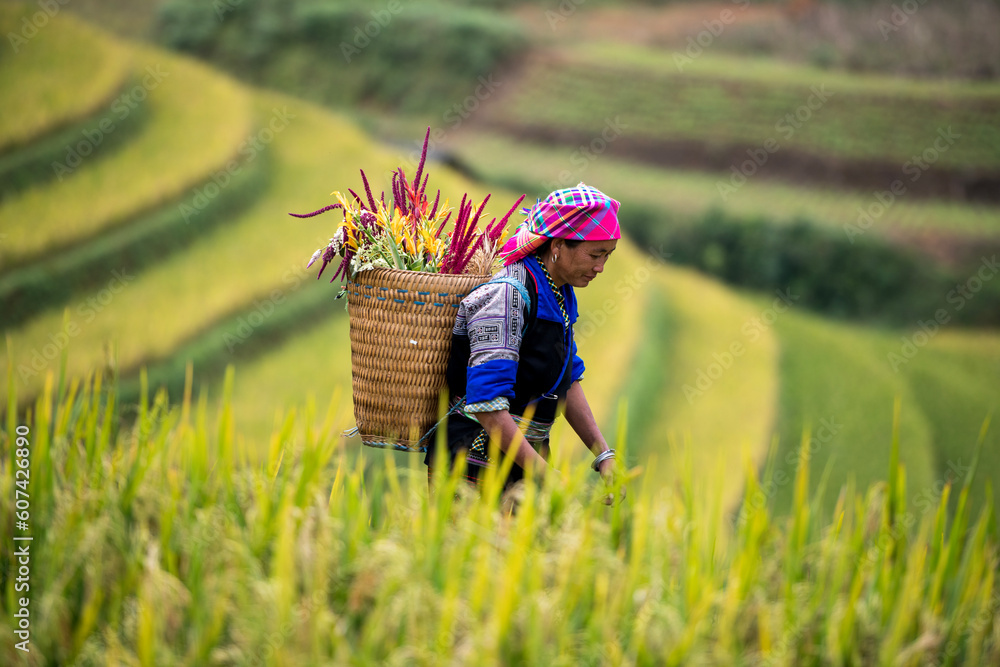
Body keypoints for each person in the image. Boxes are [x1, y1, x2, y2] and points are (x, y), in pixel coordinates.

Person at [424, 183, 624, 501]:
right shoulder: (507, 297)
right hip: (474, 462)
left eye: (607, 256)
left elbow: (565, 378)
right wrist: (551, 478)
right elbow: (487, 407)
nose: (600, 267)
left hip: (522, 461)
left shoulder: (559, 292)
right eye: (595, 254)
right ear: (558, 245)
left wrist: (603, 455)